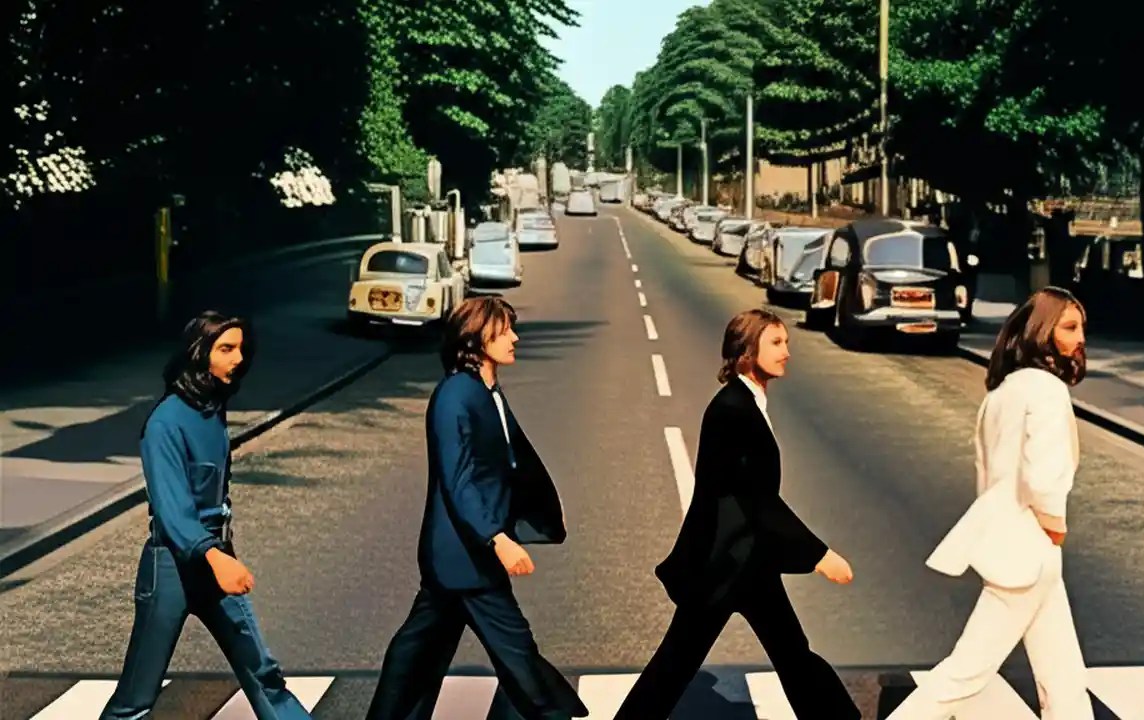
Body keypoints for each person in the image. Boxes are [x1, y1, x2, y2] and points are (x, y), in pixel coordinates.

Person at [613, 309, 860, 720]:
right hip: (723, 564)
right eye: (776, 344)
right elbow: (754, 498)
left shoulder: (747, 402)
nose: (786, 353)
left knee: (793, 655)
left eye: (786, 343)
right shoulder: (731, 409)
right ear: (747, 352)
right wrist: (818, 555)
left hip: (748, 560)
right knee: (674, 665)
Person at [367, 297, 587, 720]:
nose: (514, 338)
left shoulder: (487, 393)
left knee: (417, 659)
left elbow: (507, 466)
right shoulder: (456, 396)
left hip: (458, 558)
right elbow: (460, 478)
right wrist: (497, 537)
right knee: (519, 656)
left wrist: (537, 515)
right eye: (504, 330)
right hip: (466, 556)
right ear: (476, 337)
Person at [887, 287, 1093, 720]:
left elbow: (987, 474)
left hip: (1014, 546)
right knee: (964, 674)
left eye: (1081, 328)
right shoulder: (1048, 391)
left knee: (1064, 677)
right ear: (1042, 332)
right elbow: (1043, 476)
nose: (1080, 339)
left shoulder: (1001, 393)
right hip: (1030, 547)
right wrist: (1054, 525)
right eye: (1070, 328)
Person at [101, 311, 313, 719]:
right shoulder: (165, 423)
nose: (237, 359)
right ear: (199, 353)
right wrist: (216, 557)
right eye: (225, 349)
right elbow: (173, 510)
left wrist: (220, 552)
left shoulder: (211, 410)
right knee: (136, 698)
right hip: (172, 570)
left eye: (240, 348)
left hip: (215, 556)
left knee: (263, 674)